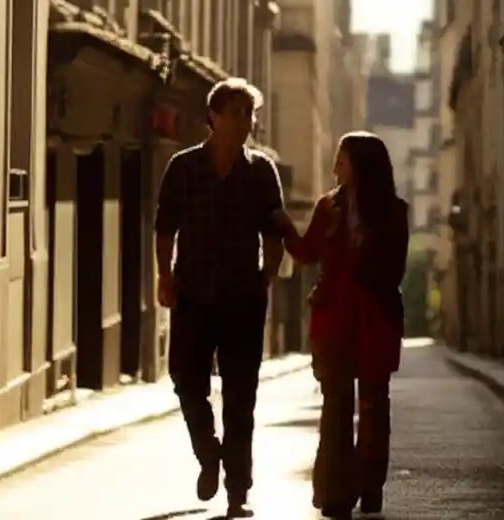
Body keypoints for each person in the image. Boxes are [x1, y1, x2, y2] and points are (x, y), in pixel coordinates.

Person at [154, 77, 286, 518]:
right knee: (186, 379)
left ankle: (237, 490)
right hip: (193, 291)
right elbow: (165, 226)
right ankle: (209, 454)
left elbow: (275, 230)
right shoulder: (184, 166)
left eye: (249, 114)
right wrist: (164, 276)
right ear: (213, 117)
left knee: (241, 395)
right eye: (236, 113)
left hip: (242, 298)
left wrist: (266, 276)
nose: (245, 122)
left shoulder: (261, 170)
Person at [273, 132, 409, 520]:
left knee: (373, 402)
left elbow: (394, 268)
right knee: (335, 403)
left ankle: (370, 487)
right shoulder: (328, 207)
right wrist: (285, 226)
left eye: (342, 160)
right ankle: (335, 493)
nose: (335, 168)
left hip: (375, 314)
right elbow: (306, 251)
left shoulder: (394, 212)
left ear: (361, 165)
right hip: (335, 315)